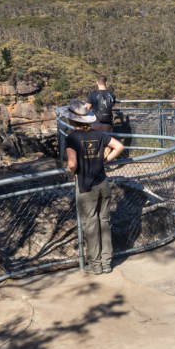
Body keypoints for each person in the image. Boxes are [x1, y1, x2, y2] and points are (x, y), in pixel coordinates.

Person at [59, 100, 125, 274]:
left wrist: (71, 172)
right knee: (104, 221)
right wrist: (105, 160)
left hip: (85, 185)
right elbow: (119, 146)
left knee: (90, 223)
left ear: (72, 120)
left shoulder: (72, 138)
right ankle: (106, 262)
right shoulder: (99, 135)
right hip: (103, 182)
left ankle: (95, 265)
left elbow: (72, 163)